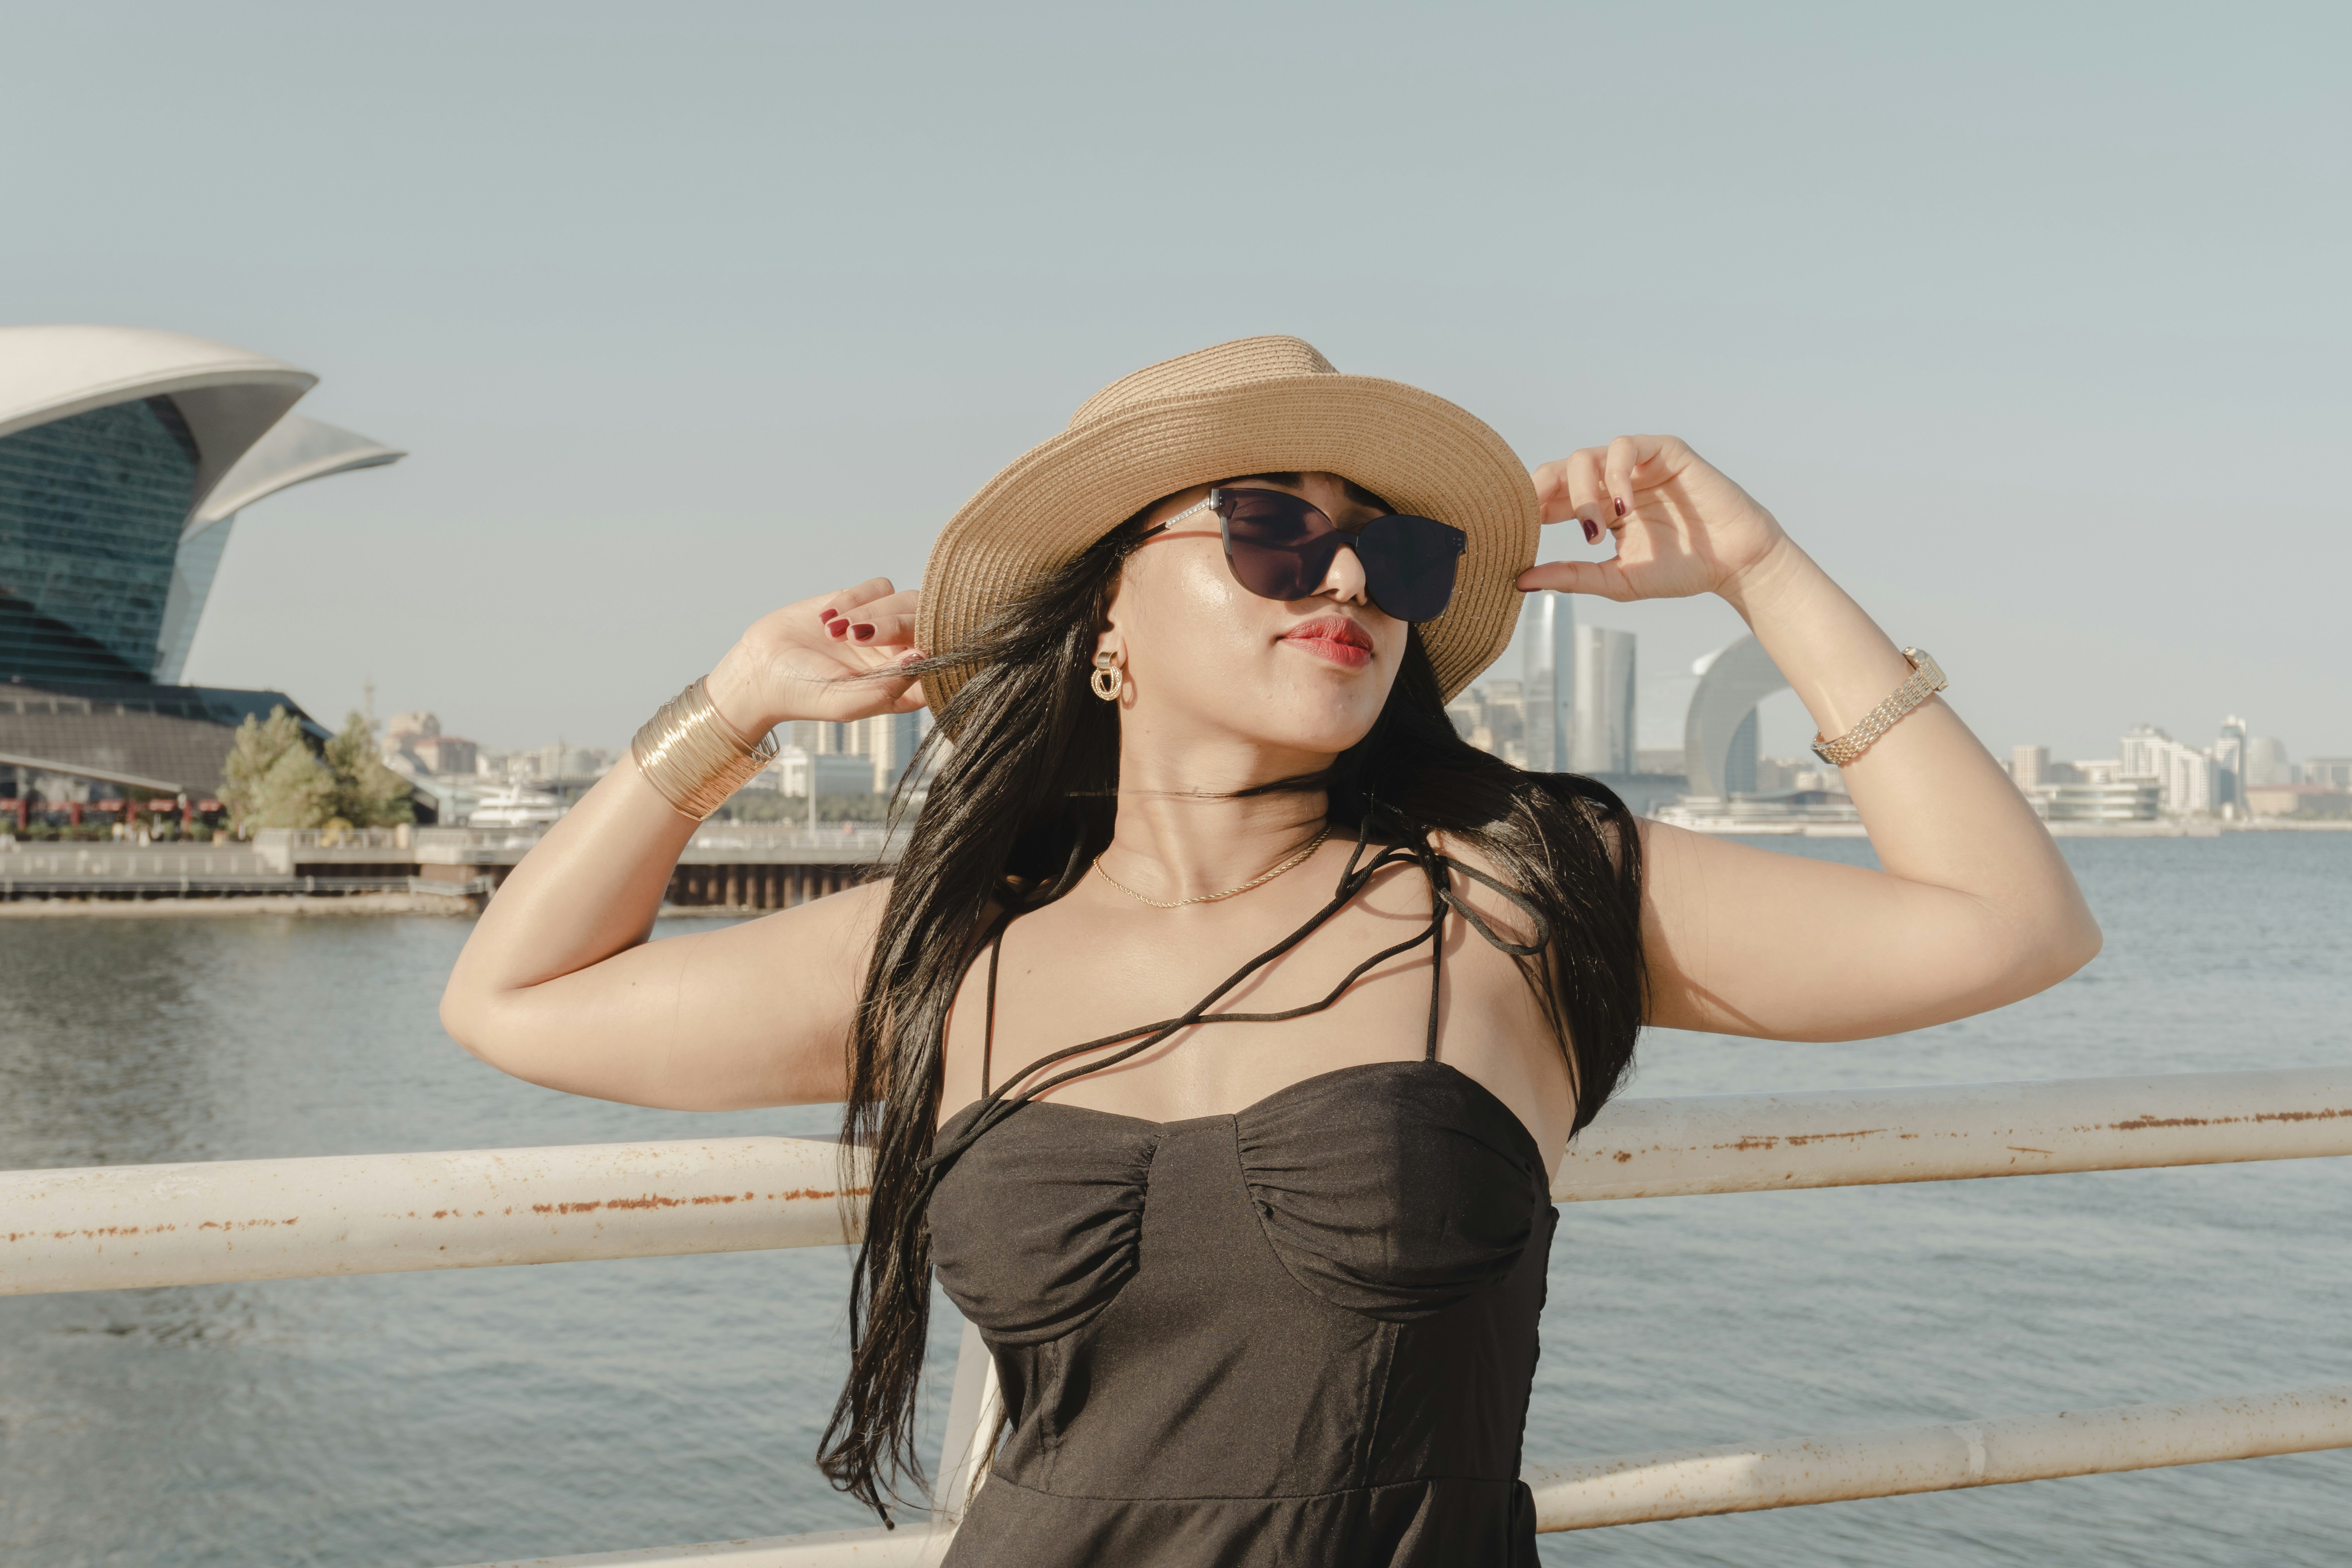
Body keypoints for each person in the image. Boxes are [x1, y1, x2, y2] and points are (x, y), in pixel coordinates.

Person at [440, 336, 2100, 1565]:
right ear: (1107, 618)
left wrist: (1758, 566)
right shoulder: (958, 949)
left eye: (1397, 553)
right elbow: (514, 995)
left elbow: (2008, 924)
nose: (1355, 580)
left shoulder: (1512, 895)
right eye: (1273, 534)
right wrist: (728, 712)